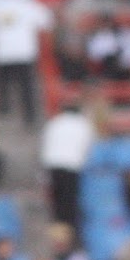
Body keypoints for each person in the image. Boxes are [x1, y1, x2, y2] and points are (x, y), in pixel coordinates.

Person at [40, 96, 97, 233]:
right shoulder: (83, 124)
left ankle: (58, 231)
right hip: (72, 167)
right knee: (70, 204)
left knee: (58, 204)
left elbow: (45, 145)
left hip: (53, 166)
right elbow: (89, 147)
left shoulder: (54, 122)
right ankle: (69, 233)